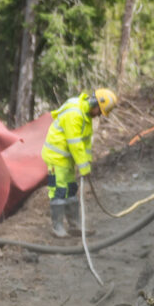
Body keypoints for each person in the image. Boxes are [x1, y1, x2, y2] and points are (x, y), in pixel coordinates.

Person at [42, 87, 119, 237]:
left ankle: (74, 226)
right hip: (56, 158)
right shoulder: (75, 114)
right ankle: (57, 227)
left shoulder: (86, 116)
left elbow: (85, 144)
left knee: (71, 189)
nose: (98, 116)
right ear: (95, 104)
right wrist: (83, 168)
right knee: (59, 191)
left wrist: (87, 163)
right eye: (100, 112)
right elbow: (75, 144)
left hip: (67, 159)